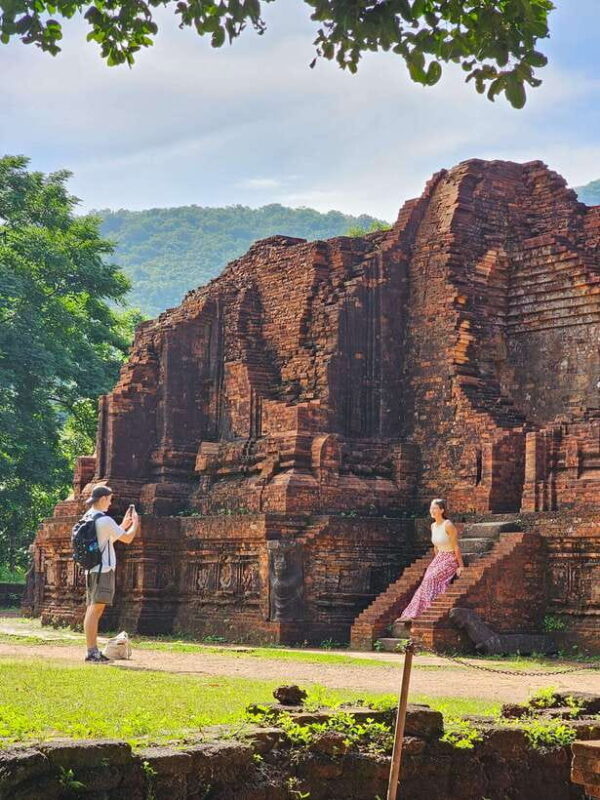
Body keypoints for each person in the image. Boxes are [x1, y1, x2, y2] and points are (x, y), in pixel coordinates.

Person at [82, 485, 139, 663]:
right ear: (103, 499)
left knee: (93, 609)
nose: (110, 503)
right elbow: (127, 539)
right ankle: (92, 652)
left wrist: (123, 525)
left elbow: (107, 540)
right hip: (103, 570)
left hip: (93, 569)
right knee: (95, 609)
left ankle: (92, 651)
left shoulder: (89, 517)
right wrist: (135, 523)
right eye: (109, 499)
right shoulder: (104, 520)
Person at [397, 498, 464, 625]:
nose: (432, 511)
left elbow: (456, 546)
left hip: (450, 558)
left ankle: (429, 609)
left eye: (435, 508)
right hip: (439, 557)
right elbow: (436, 547)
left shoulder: (448, 525)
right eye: (431, 508)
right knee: (426, 579)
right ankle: (414, 613)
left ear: (442, 510)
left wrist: (460, 566)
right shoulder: (433, 526)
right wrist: (436, 562)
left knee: (431, 579)